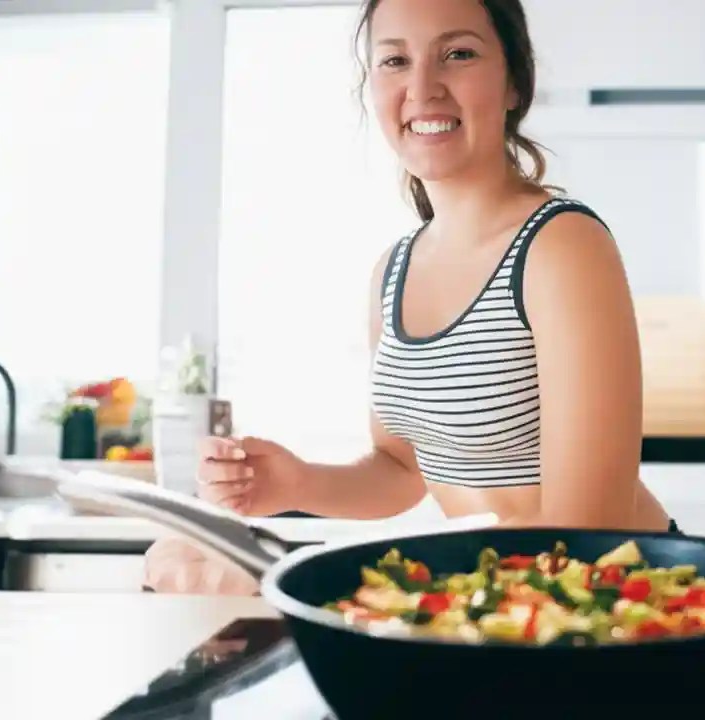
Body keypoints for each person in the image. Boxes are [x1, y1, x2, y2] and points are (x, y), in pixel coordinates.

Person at [143, 0, 674, 595]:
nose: (423, 89)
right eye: (395, 61)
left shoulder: (562, 245)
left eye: (458, 54)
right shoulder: (392, 272)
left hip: (616, 602)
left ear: (514, 83)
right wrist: (295, 485)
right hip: (504, 601)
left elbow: (588, 529)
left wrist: (354, 582)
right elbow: (401, 469)